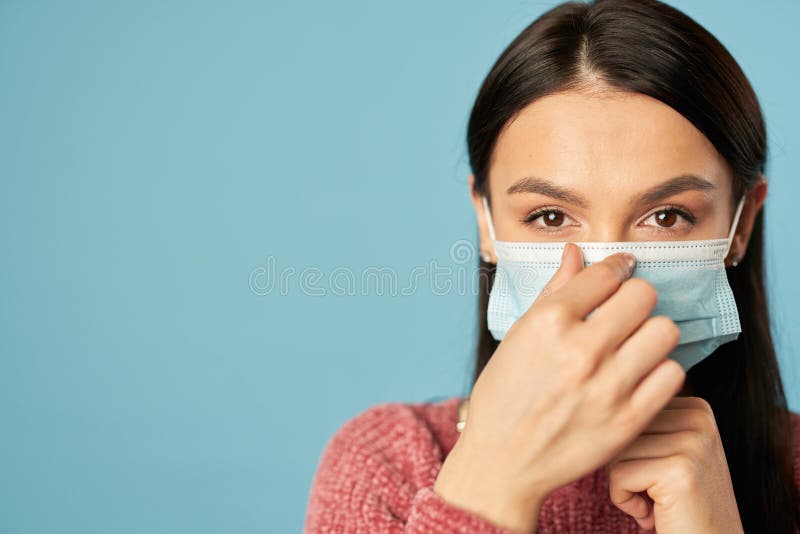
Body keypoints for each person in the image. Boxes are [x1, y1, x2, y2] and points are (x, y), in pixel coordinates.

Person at [304, 0, 800, 532]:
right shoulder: (387, 466)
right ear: (486, 222)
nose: (608, 278)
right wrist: (494, 477)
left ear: (741, 224)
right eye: (550, 216)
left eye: (666, 216)